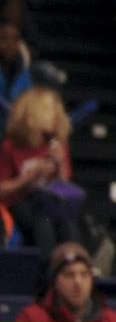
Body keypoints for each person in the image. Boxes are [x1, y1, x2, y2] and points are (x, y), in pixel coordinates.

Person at [0, 84, 80, 253]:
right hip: (19, 201)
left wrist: (59, 165)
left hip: (48, 199)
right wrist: (29, 178)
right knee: (42, 221)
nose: (54, 117)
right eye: (48, 111)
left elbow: (64, 183)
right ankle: (45, 268)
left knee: (67, 221)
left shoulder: (58, 144)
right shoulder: (11, 147)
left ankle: (69, 265)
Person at [14, 242, 116, 322]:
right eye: (69, 275)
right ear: (55, 280)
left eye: (84, 274)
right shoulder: (32, 319)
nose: (78, 282)